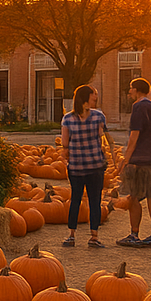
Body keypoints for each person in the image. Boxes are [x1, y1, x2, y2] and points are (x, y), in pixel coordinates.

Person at [58, 84, 108, 248]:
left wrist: (67, 158)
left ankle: (71, 235)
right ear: (87, 97)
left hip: (76, 167)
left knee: (75, 200)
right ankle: (94, 236)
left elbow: (65, 144)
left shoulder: (67, 119)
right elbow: (102, 138)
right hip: (95, 166)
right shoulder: (99, 116)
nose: (95, 97)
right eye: (93, 94)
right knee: (95, 200)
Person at [117, 77, 151, 248]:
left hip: (140, 158)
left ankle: (134, 234)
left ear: (137, 90)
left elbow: (134, 135)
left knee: (134, 197)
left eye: (131, 88)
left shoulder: (138, 106)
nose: (129, 91)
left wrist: (126, 159)